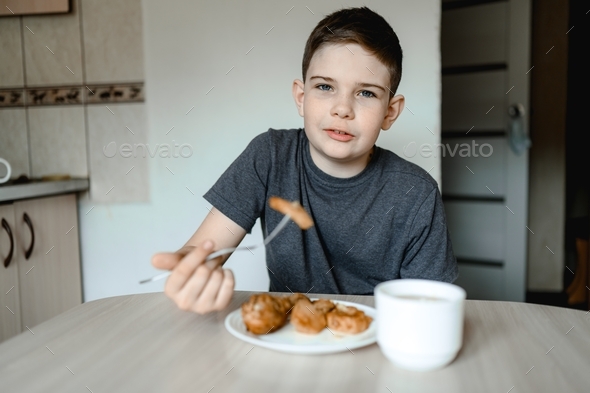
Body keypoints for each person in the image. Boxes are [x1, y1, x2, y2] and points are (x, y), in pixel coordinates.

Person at [151, 6, 458, 314]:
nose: (342, 109)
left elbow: (433, 306)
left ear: (390, 112)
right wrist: (193, 271)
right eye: (325, 87)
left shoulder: (416, 193)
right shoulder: (269, 156)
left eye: (366, 93)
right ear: (301, 97)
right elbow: (205, 249)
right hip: (286, 337)